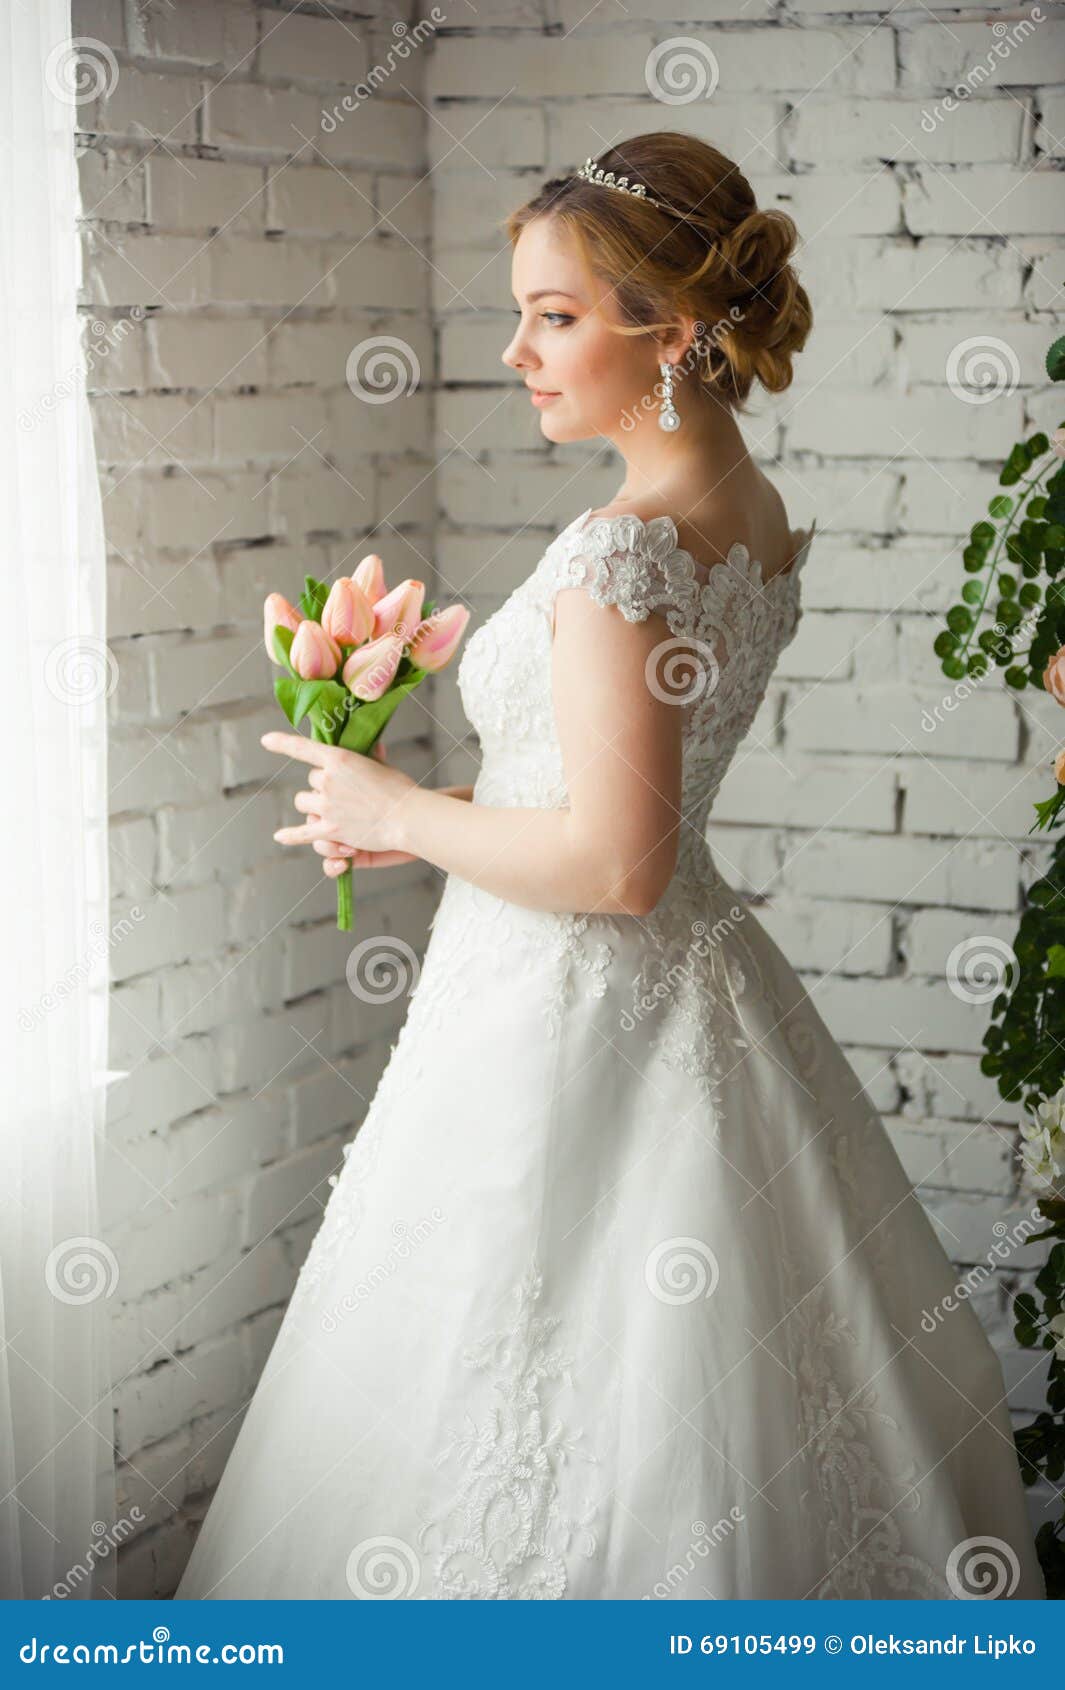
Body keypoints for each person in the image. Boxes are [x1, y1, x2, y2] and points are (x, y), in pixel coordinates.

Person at [175, 133, 1045, 1601]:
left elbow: (616, 863)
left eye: (555, 314)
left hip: (574, 1008)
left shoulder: (617, 550)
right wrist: (430, 803)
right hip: (661, 996)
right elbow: (611, 801)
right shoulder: (748, 513)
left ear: (678, 326)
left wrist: (396, 807)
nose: (513, 349)